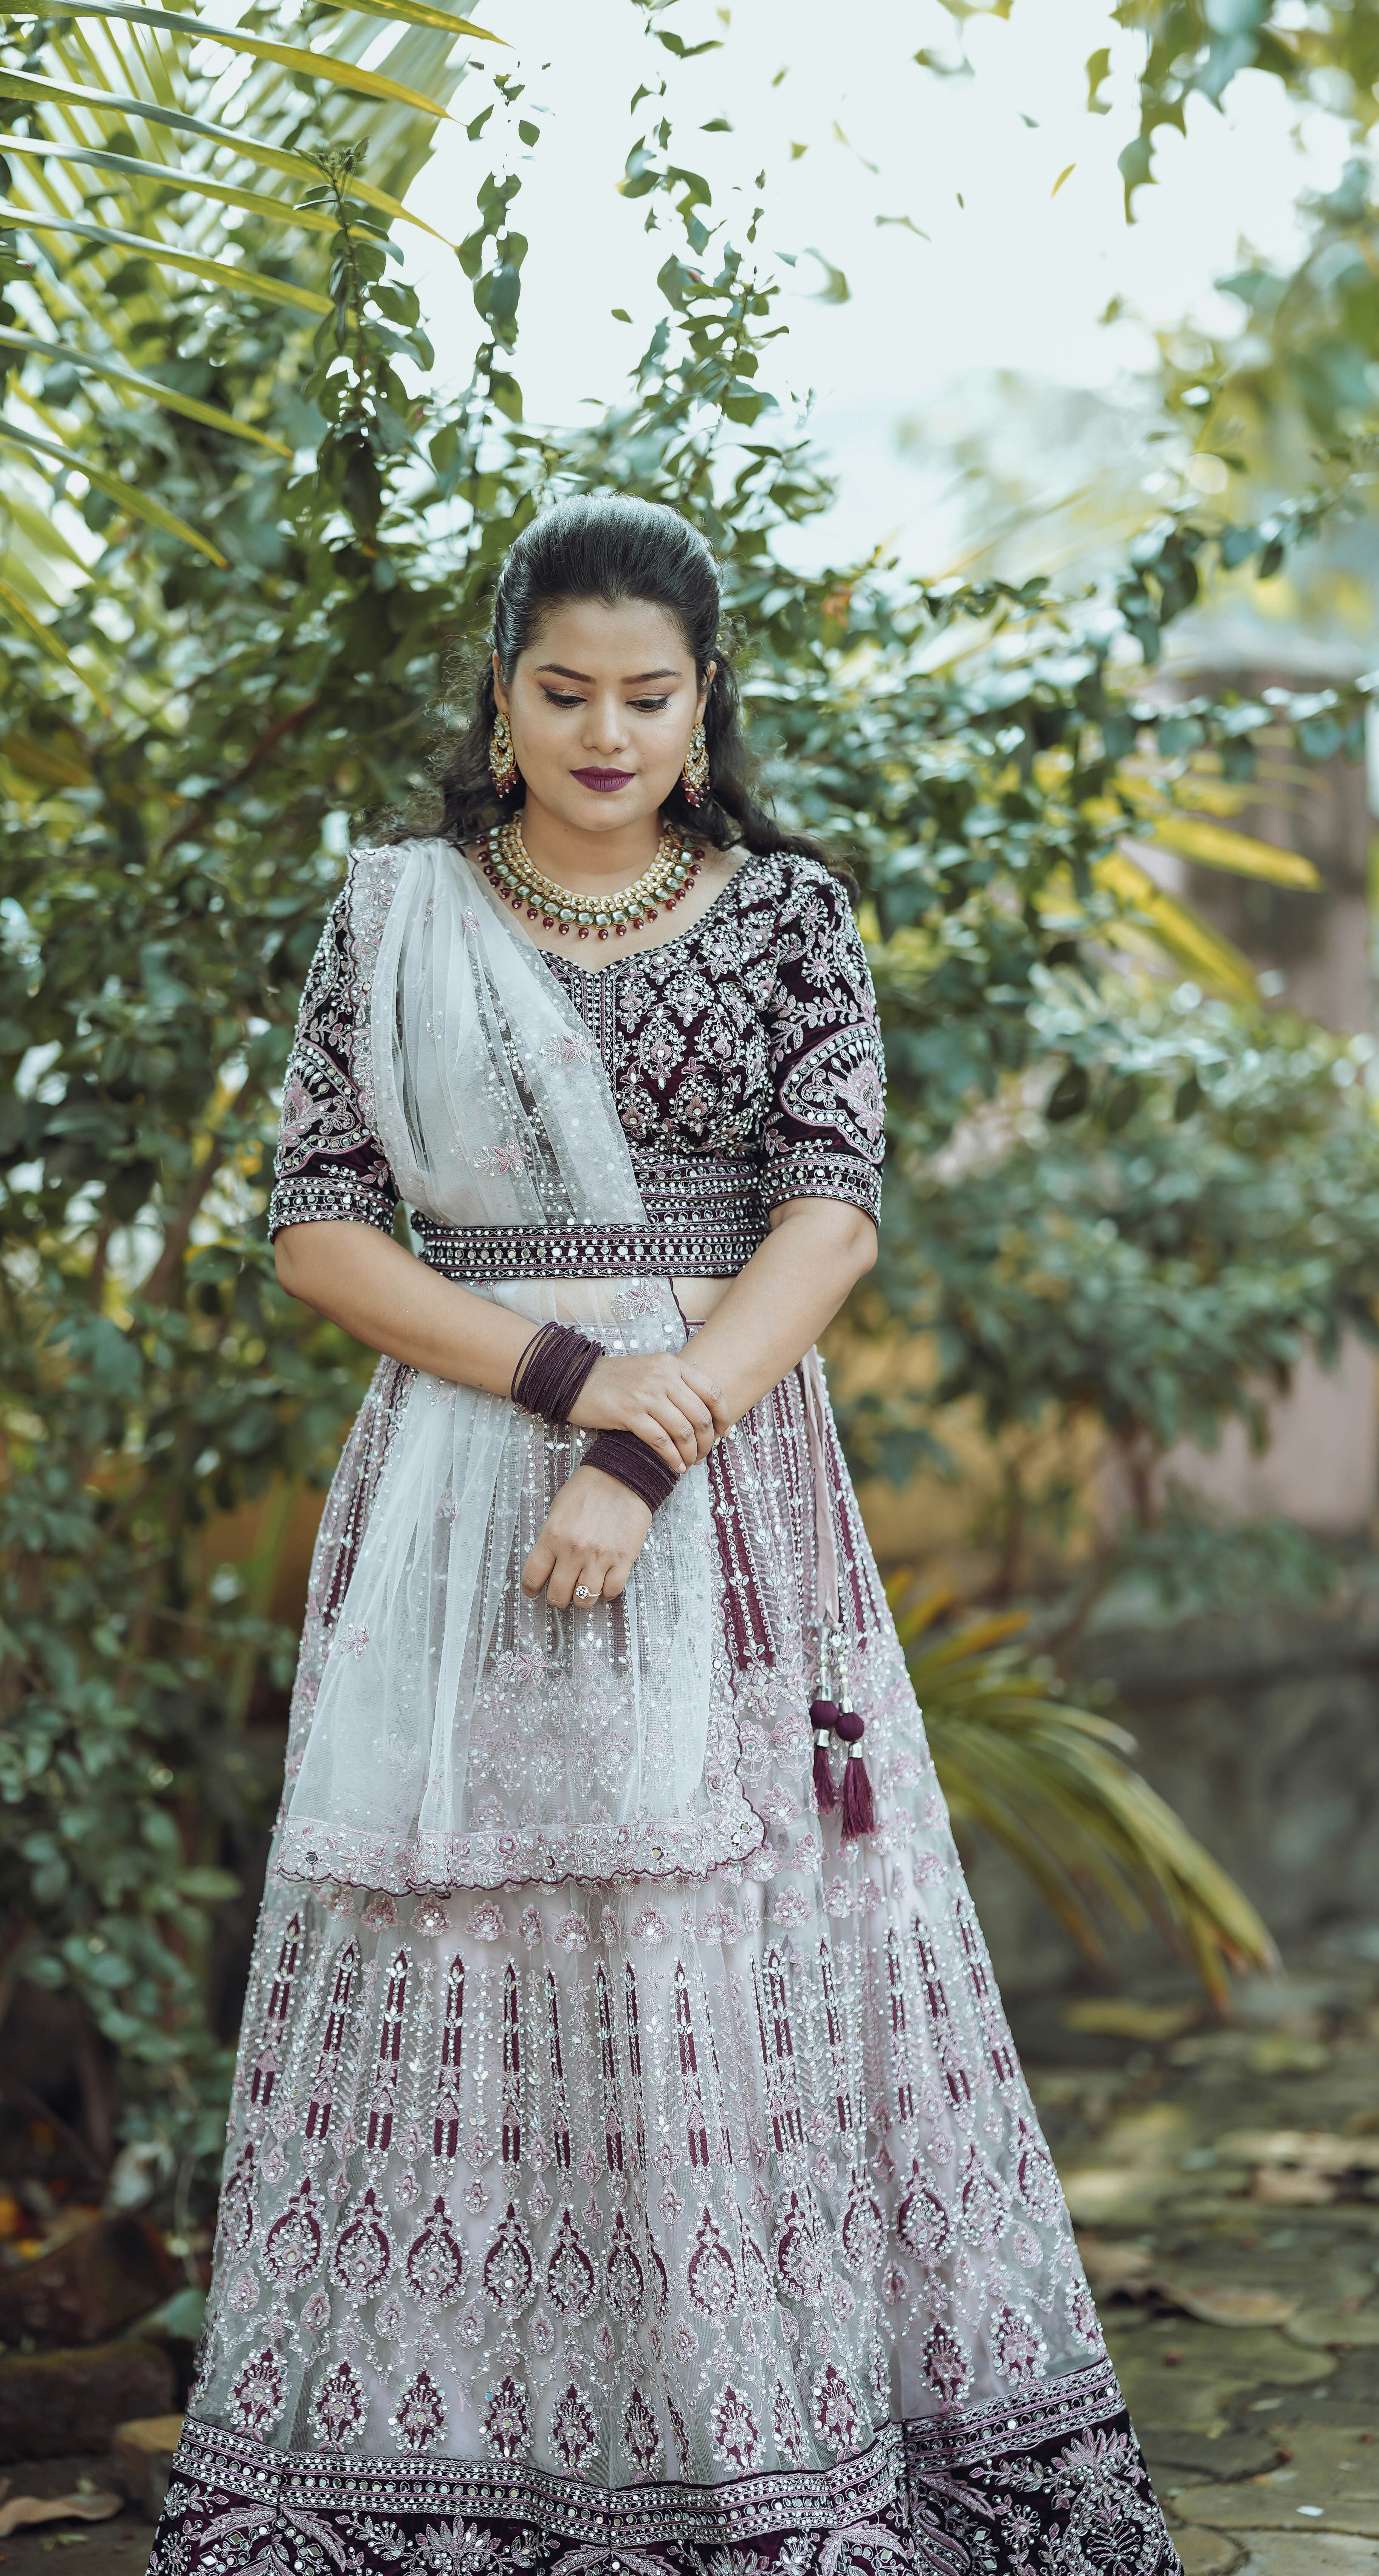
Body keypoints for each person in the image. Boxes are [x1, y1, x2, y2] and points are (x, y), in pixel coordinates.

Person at [149, 497, 1178, 2576]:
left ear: (706, 704)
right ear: (501, 695)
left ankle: (758, 2487)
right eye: (564, 692)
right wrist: (557, 1386)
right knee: (468, 1959)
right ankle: (442, 2496)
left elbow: (833, 1209)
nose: (605, 731)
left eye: (648, 694)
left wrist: (648, 1446)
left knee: (734, 1961)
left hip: (735, 1500)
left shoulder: (787, 912)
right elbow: (320, 1223)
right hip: (458, 1488)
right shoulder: (401, 917)